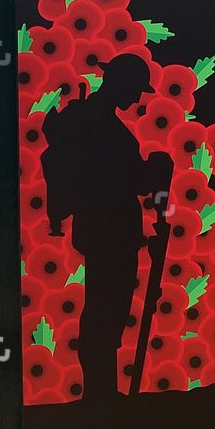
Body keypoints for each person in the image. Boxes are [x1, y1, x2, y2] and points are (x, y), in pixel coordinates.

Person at [42, 54, 171, 399]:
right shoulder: (102, 126)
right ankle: (100, 395)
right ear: (122, 83)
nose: (138, 98)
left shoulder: (93, 119)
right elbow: (123, 179)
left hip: (104, 229)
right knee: (106, 311)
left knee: (105, 309)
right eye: (136, 89)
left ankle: (101, 393)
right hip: (109, 230)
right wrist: (156, 169)